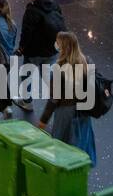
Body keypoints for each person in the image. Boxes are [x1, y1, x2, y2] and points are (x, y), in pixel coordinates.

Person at [37, 31, 97, 165]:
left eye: (58, 43)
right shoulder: (87, 61)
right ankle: (80, 166)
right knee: (80, 140)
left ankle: (62, 168)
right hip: (83, 110)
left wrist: (43, 121)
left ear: (63, 47)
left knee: (60, 143)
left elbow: (54, 99)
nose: (56, 45)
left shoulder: (59, 68)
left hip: (65, 111)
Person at [14, 0, 62, 112]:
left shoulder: (31, 10)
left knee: (26, 74)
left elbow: (26, 33)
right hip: (53, 50)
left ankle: (26, 101)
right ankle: (59, 98)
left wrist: (21, 48)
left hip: (35, 51)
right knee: (48, 74)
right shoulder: (55, 6)